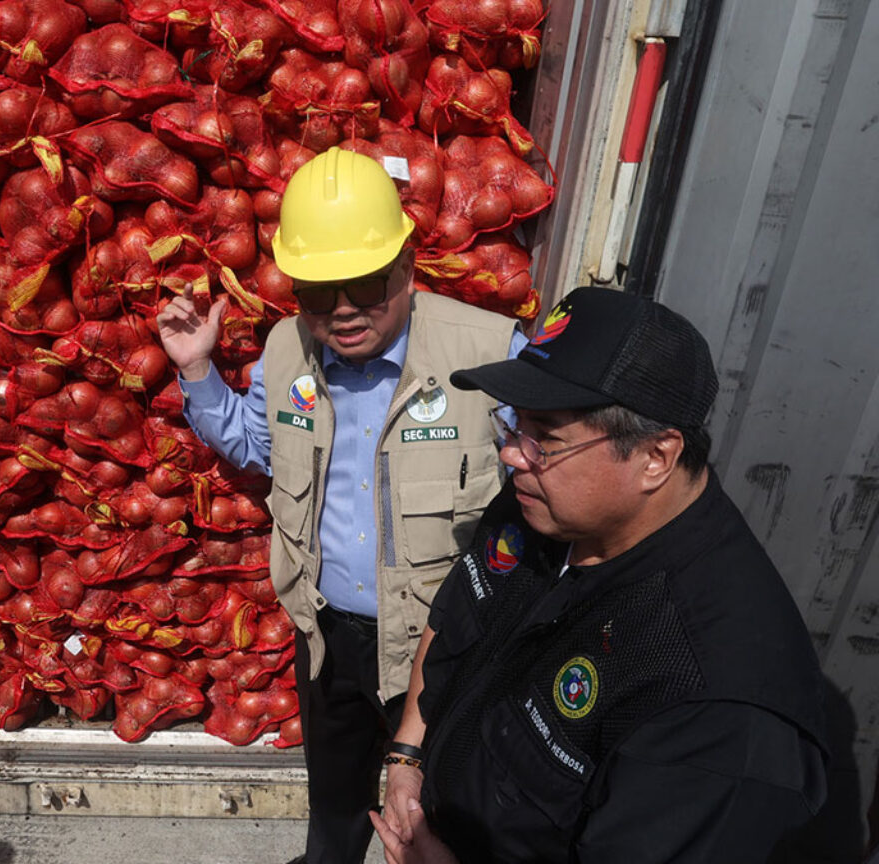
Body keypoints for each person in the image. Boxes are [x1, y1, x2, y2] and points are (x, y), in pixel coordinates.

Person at [155, 146, 526, 864]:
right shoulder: (284, 351)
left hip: (440, 646)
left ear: (406, 265)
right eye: (320, 292)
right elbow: (260, 450)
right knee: (333, 808)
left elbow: (548, 487)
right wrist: (197, 369)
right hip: (327, 639)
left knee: (444, 817)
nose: (345, 310)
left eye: (366, 284)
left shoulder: (489, 354)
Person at [370, 286, 828, 864]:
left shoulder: (716, 708)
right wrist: (407, 760)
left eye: (546, 436)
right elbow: (455, 615)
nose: (514, 455)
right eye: (514, 425)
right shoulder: (541, 504)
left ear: (656, 458)